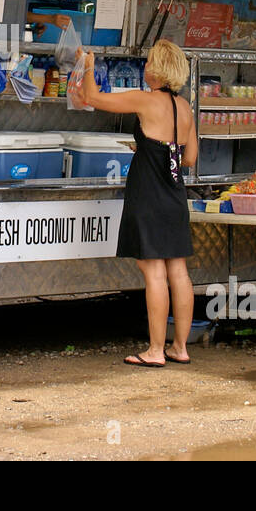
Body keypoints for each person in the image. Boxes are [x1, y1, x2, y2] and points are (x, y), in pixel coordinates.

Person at [74, 39, 198, 368]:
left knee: (153, 271)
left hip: (149, 195)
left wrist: (88, 64)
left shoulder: (145, 100)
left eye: (148, 63)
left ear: (156, 69)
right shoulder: (185, 108)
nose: (145, 68)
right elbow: (189, 158)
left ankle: (155, 350)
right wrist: (153, 151)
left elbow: (93, 98)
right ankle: (180, 347)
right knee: (179, 272)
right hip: (175, 196)